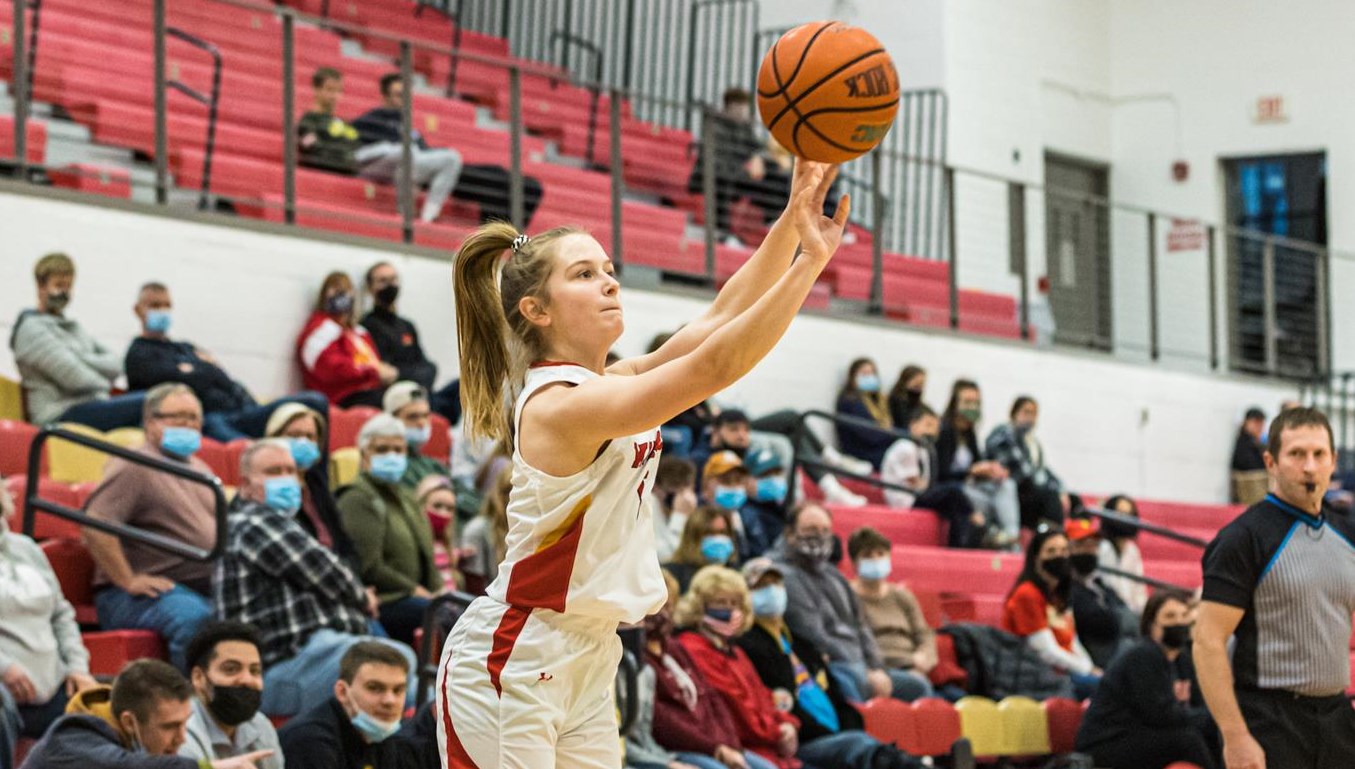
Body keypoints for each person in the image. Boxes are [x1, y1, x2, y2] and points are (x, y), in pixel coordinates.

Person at [437, 158, 850, 766]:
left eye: (609, 270)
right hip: (515, 651)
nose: (610, 282)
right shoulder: (557, 405)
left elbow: (717, 320)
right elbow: (715, 365)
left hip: (589, 649)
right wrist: (810, 264)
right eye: (584, 274)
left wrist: (791, 222)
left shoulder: (606, 381)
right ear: (536, 310)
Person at [1195, 407, 1355, 769]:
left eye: (1319, 454)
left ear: (1333, 461)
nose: (1310, 467)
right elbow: (1207, 642)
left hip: (1337, 716)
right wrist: (1235, 735)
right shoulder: (1243, 538)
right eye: (1297, 454)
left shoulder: (1348, 534)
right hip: (1269, 719)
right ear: (1271, 462)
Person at [215, 439, 415, 717]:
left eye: (291, 471)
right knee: (402, 669)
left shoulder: (283, 522)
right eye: (273, 471)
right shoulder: (253, 521)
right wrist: (361, 595)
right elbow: (326, 571)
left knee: (406, 673)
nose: (286, 479)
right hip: (281, 665)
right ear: (246, 484)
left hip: (316, 653)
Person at [736, 559, 932, 769]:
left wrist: (847, 726)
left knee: (860, 739)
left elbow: (836, 696)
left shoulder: (801, 644)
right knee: (860, 745)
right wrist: (834, 735)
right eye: (761, 587)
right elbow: (780, 707)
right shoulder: (747, 647)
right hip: (802, 742)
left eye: (776, 584)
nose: (771, 592)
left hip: (836, 737)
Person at [83, 383, 215, 670]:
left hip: (199, 586)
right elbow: (96, 524)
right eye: (177, 416)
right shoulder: (134, 463)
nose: (187, 424)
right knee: (194, 618)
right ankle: (190, 708)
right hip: (137, 594)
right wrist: (128, 579)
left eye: (193, 417)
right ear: (150, 422)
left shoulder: (201, 469)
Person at [124, 282, 329, 442]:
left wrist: (195, 370)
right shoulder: (139, 354)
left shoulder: (186, 347)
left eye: (166, 305)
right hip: (209, 420)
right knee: (249, 449)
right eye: (155, 305)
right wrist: (203, 368)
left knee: (314, 402)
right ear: (138, 310)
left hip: (242, 409)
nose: (162, 311)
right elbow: (191, 382)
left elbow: (220, 377)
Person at [775, 502, 931, 704]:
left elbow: (860, 626)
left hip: (861, 665)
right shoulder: (783, 575)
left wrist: (877, 668)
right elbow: (812, 633)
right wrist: (865, 670)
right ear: (790, 534)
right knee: (848, 682)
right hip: (835, 666)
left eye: (825, 530)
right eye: (811, 530)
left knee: (919, 688)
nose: (819, 536)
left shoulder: (833, 574)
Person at [352, 75, 542, 227]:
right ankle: (497, 238)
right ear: (384, 96)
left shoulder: (406, 124)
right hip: (424, 172)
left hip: (434, 162)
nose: (404, 100)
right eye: (398, 95)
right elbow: (363, 150)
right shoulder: (371, 121)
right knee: (497, 183)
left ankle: (503, 234)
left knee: (519, 181)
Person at [0, 483, 97, 769]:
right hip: (7, 687)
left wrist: (78, 668)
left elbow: (61, 614)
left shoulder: (27, 549)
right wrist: (4, 668)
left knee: (117, 697)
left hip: (50, 678)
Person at [19, 659, 272, 769]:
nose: (181, 738)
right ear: (130, 722)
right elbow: (124, 766)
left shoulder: (136, 746)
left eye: (185, 724)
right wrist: (212, 768)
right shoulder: (71, 739)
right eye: (169, 727)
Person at [1076, 590, 1219, 768]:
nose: (1179, 622)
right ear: (1152, 625)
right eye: (1170, 616)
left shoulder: (1182, 658)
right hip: (1107, 742)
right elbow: (1161, 715)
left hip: (1144, 735)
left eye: (1184, 615)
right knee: (1188, 739)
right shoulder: (1143, 655)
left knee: (1215, 730)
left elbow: (1198, 704)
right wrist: (1210, 717)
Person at [337, 414, 443, 647]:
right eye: (382, 449)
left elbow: (427, 552)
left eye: (398, 449)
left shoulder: (406, 496)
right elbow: (369, 566)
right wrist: (416, 590)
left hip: (417, 595)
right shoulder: (357, 497)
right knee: (445, 616)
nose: (392, 455)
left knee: (462, 610)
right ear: (365, 455)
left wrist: (438, 590)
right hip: (387, 600)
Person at [298, 68, 455, 224]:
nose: (335, 96)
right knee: (403, 151)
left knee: (441, 156)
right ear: (316, 90)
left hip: (370, 161)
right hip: (354, 164)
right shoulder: (309, 121)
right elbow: (313, 151)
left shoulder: (342, 122)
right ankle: (405, 214)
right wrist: (346, 160)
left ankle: (427, 216)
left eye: (338, 90)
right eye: (329, 90)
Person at [10, 252, 144, 430]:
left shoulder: (74, 327)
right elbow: (78, 380)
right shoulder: (31, 330)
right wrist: (104, 384)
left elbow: (118, 364)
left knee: (166, 402)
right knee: (157, 402)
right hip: (58, 416)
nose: (64, 292)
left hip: (90, 406)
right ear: (41, 286)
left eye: (68, 286)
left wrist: (79, 357)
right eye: (58, 285)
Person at [277, 642, 417, 769]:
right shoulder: (309, 742)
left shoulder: (386, 737)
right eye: (374, 688)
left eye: (398, 690)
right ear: (342, 692)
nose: (389, 701)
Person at [1000, 528, 1100, 700]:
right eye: (1051, 551)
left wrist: (1091, 668)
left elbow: (1073, 641)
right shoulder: (1027, 594)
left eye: (1063, 551)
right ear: (1036, 558)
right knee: (1106, 690)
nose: (1059, 556)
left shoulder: (1060, 596)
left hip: (1064, 673)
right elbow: (1045, 651)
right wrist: (1086, 670)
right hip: (1034, 675)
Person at [844, 528, 943, 698]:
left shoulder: (902, 596)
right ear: (855, 562)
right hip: (877, 670)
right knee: (919, 689)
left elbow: (924, 634)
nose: (875, 559)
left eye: (880, 554)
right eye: (867, 555)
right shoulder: (846, 596)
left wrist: (923, 659)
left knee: (956, 698)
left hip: (912, 666)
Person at [359, 263, 461, 424]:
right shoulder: (367, 326)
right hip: (401, 399)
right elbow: (384, 374)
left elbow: (428, 368)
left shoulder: (406, 325)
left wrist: (400, 373)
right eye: (382, 281)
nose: (389, 285)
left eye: (393, 279)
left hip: (423, 392)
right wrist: (406, 374)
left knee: (463, 387)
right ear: (370, 288)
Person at [263, 404, 359, 567]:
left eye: (310, 436)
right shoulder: (272, 490)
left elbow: (345, 544)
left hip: (338, 577)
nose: (303, 442)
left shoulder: (316, 483)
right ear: (274, 438)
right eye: (295, 435)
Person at [180, 622, 283, 769]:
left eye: (255, 671)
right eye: (231, 669)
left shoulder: (260, 725)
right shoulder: (180, 730)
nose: (246, 680)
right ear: (198, 678)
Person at [880, 404, 985, 548]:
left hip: (917, 495)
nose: (931, 432)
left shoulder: (924, 450)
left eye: (935, 428)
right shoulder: (905, 447)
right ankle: (974, 517)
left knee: (953, 506)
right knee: (953, 491)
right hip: (906, 499)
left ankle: (960, 545)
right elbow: (915, 482)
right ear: (913, 425)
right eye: (927, 425)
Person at [935, 380, 1019, 548]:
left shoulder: (969, 433)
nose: (972, 407)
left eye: (976, 403)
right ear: (955, 404)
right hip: (953, 489)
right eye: (967, 402)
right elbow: (941, 474)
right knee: (995, 504)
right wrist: (972, 471)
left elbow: (977, 465)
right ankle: (1005, 541)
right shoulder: (944, 431)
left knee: (1007, 485)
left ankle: (1010, 535)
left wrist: (990, 470)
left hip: (971, 486)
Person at [296, 271, 397, 408]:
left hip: (370, 391)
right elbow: (330, 369)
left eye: (345, 290)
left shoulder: (359, 333)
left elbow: (374, 362)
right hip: (341, 398)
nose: (341, 295)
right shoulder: (319, 329)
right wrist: (373, 371)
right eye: (335, 290)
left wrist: (385, 372)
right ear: (324, 295)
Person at [686, 88, 769, 236]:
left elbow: (758, 147)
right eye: (739, 107)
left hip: (735, 175)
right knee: (723, 182)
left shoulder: (744, 127)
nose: (742, 112)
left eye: (744, 108)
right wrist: (746, 171)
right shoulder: (716, 126)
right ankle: (721, 232)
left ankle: (772, 221)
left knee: (775, 174)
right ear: (728, 107)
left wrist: (759, 157)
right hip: (712, 176)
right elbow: (718, 162)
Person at [984, 396, 1069, 529]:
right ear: (1014, 413)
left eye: (1034, 414)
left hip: (1031, 493)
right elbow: (1023, 471)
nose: (1030, 418)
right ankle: (1053, 538)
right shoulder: (1003, 433)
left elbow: (1043, 470)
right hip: (1012, 496)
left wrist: (1061, 489)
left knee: (1072, 499)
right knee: (1050, 496)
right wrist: (1053, 489)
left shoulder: (1031, 442)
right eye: (1026, 412)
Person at [1064, 518, 1137, 670]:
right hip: (1094, 654)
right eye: (1082, 545)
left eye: (1093, 546)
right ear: (1067, 549)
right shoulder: (1065, 587)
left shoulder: (1098, 583)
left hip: (1116, 647)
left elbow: (1127, 615)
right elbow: (1098, 622)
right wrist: (1118, 619)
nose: (1090, 551)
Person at [380, 382, 450, 491]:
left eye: (425, 416)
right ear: (391, 420)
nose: (422, 423)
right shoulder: (387, 467)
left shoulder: (434, 466)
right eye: (413, 417)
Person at [834, 358, 897, 471]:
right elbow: (869, 436)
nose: (869, 377)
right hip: (860, 452)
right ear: (853, 376)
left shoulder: (876, 400)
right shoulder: (850, 400)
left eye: (872, 373)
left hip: (878, 447)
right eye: (864, 374)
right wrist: (889, 432)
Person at [457, 465, 510, 596]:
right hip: (488, 608)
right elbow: (474, 592)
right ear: (502, 494)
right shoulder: (478, 529)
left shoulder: (528, 531)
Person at [665, 505, 740, 592]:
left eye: (722, 532)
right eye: (710, 533)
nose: (718, 539)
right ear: (693, 538)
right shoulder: (673, 574)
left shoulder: (733, 572)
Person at [1096, 495, 1147, 615]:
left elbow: (1139, 590)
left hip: (1132, 613)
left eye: (1129, 514)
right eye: (1120, 513)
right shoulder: (1101, 548)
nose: (1125, 519)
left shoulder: (1133, 550)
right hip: (1107, 612)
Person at [739, 447, 789, 559]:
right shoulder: (745, 515)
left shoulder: (781, 509)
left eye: (777, 473)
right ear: (745, 480)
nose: (773, 480)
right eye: (765, 475)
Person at [414, 475, 463, 589]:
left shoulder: (446, 545)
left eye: (449, 509)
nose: (443, 513)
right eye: (437, 506)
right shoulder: (414, 542)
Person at [653, 456, 699, 563]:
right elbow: (666, 557)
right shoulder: (647, 508)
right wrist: (679, 517)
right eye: (673, 494)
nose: (681, 499)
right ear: (655, 487)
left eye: (685, 491)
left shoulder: (691, 505)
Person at [1229, 407, 1268, 505]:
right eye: (1256, 423)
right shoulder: (1244, 442)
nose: (1259, 427)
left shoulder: (1256, 442)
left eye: (1261, 424)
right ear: (1247, 422)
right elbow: (1248, 465)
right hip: (1247, 492)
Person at [886, 365, 926, 429]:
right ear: (906, 380)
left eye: (922, 383)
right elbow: (902, 423)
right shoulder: (896, 400)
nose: (920, 386)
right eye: (917, 382)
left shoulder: (918, 403)